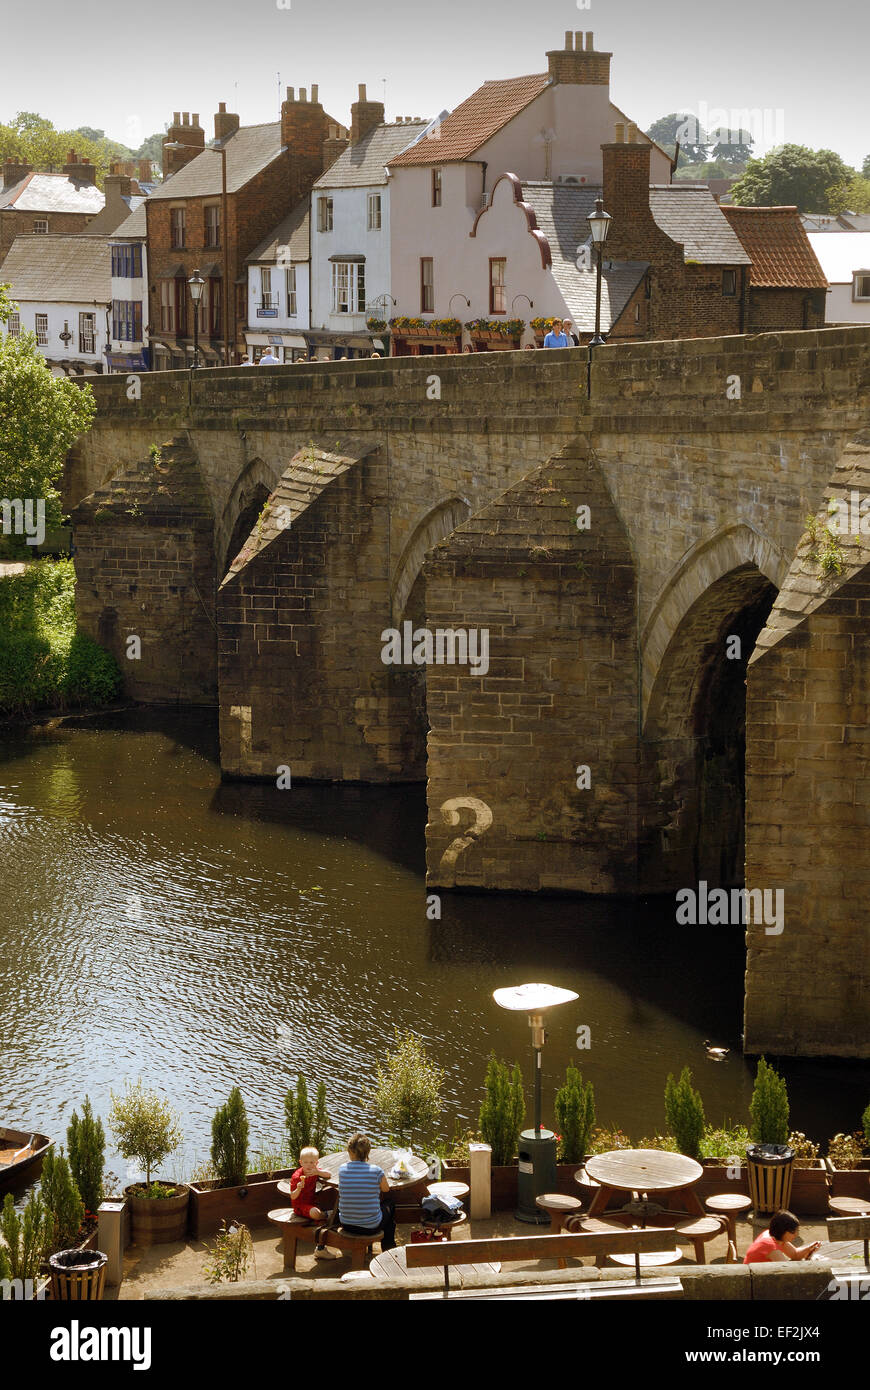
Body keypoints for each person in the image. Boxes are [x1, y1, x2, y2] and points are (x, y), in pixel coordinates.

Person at [334, 1132, 396, 1252]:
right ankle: (388, 1249)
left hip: (346, 1224)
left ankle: (387, 1248)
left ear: (350, 1152)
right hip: (370, 1227)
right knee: (390, 1204)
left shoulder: (342, 1169)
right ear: (368, 1152)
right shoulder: (376, 1171)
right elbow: (386, 1189)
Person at [743, 1210, 821, 1263]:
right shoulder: (770, 1245)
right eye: (793, 1232)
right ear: (782, 1230)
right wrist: (812, 1262)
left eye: (797, 1231)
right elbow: (787, 1271)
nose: (796, 1235)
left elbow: (795, 1254)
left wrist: (809, 1248)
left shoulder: (776, 1237)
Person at [288, 1146, 332, 1221]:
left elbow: (329, 1174)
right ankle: (327, 1215)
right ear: (301, 1162)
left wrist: (318, 1172)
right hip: (300, 1206)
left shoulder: (314, 1171)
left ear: (316, 1163)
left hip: (312, 1202)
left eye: (311, 1162)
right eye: (306, 1162)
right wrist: (298, 1188)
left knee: (330, 1193)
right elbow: (293, 1196)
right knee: (315, 1213)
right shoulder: (297, 1177)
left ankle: (326, 1215)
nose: (309, 1165)